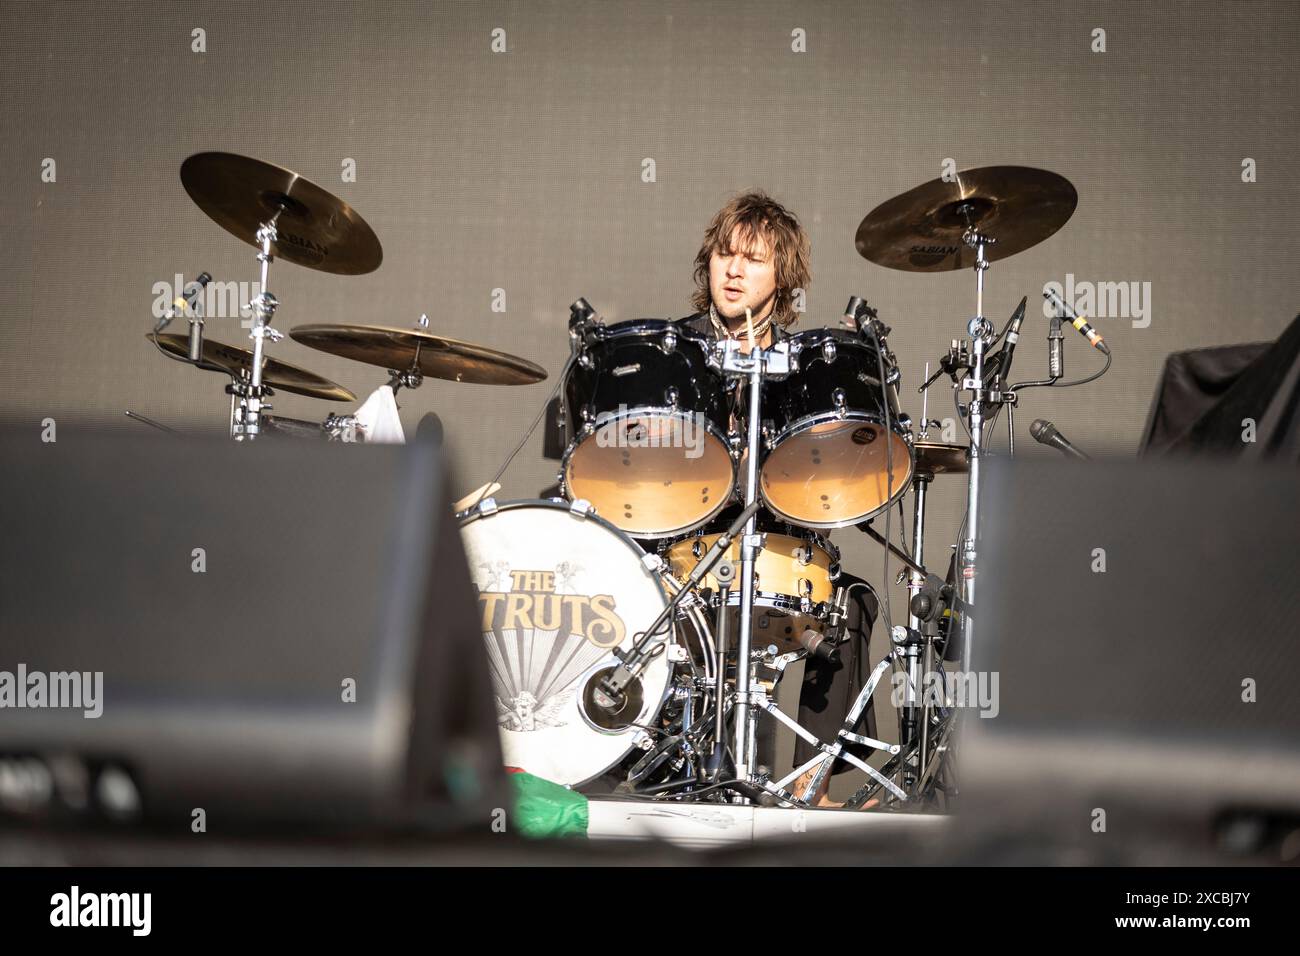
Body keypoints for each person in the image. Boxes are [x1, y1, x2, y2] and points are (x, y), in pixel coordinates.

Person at [671, 191, 881, 806]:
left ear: (782, 277)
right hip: (683, 546)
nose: (733, 270)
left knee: (851, 602)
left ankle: (808, 785)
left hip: (774, 547)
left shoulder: (803, 366)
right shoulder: (676, 354)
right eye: (724, 253)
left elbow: (825, 478)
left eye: (753, 260)